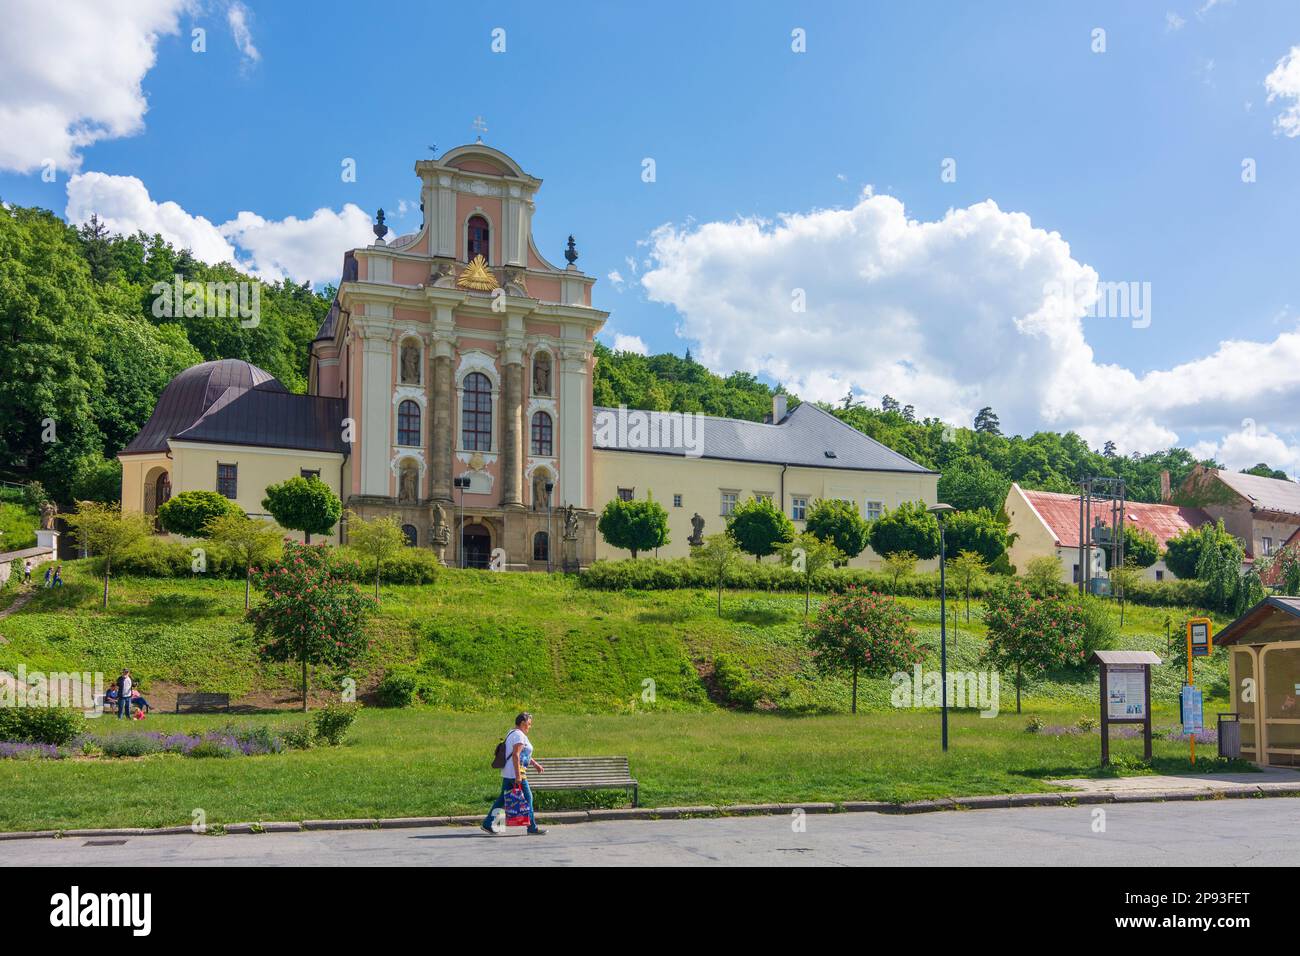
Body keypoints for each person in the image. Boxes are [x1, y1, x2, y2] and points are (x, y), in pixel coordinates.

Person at [482, 712, 547, 836]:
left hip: (509, 772)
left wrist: (535, 764)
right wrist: (518, 776)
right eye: (529, 724)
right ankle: (532, 827)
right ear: (523, 723)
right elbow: (516, 755)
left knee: (502, 799)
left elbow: (523, 754)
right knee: (528, 799)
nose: (530, 726)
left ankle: (488, 823)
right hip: (516, 773)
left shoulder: (513, 733)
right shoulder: (519, 736)